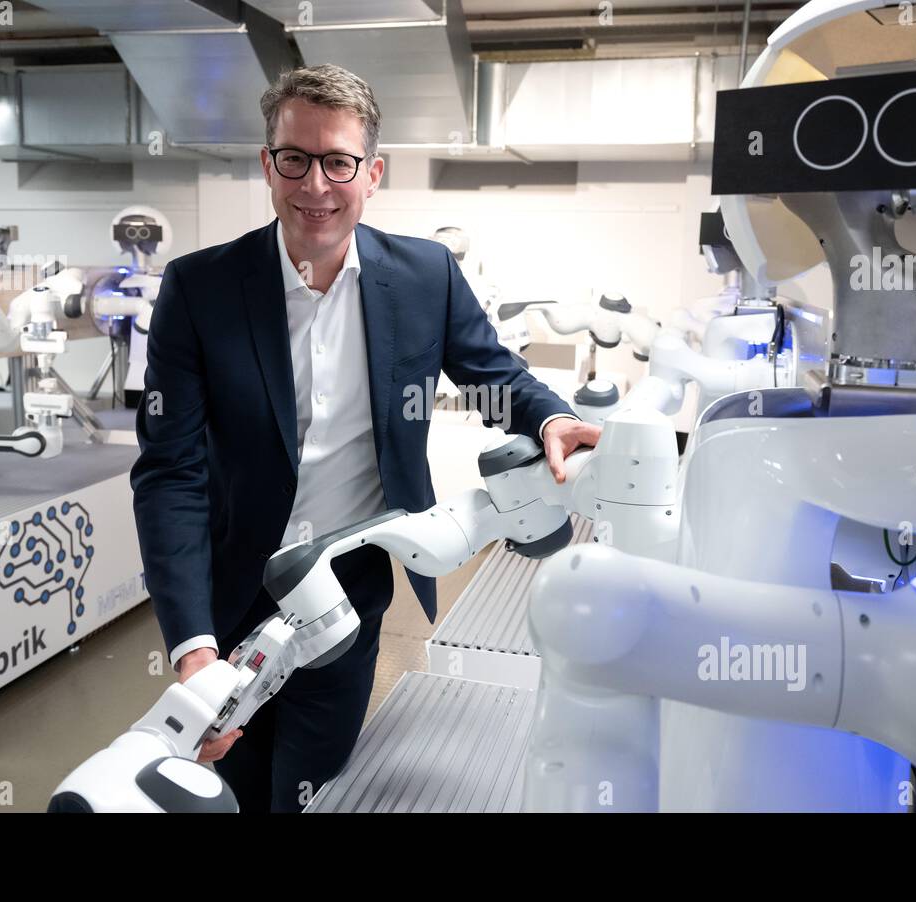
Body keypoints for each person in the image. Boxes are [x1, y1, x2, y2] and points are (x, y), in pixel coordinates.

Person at [130, 64, 601, 812]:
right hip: (231, 598)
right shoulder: (200, 289)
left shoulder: (423, 277)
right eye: (295, 158)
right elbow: (171, 475)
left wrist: (547, 417)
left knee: (313, 790)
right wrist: (192, 645)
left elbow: (491, 374)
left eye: (338, 162)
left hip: (351, 587)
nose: (315, 184)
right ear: (268, 164)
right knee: (232, 792)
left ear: (371, 172)